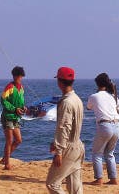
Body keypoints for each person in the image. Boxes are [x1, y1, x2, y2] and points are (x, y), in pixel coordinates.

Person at [46, 66, 85, 194]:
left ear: (59, 82)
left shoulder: (67, 102)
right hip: (78, 145)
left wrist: (59, 151)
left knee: (52, 184)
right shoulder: (77, 99)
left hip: (68, 147)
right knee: (75, 186)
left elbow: (64, 127)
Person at [86, 72, 119, 186]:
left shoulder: (94, 96)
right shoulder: (113, 97)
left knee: (97, 153)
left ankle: (99, 179)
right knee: (109, 153)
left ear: (97, 84)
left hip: (105, 126)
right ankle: (113, 179)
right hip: (117, 126)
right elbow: (118, 109)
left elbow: (88, 107)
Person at [0, 65, 26, 169]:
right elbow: (3, 100)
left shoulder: (21, 88)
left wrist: (23, 107)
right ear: (14, 76)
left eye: (20, 76)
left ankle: (4, 158)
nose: (19, 78)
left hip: (16, 117)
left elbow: (21, 101)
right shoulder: (10, 87)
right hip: (8, 116)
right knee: (9, 140)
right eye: (17, 76)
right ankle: (7, 164)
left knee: (18, 140)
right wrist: (14, 109)